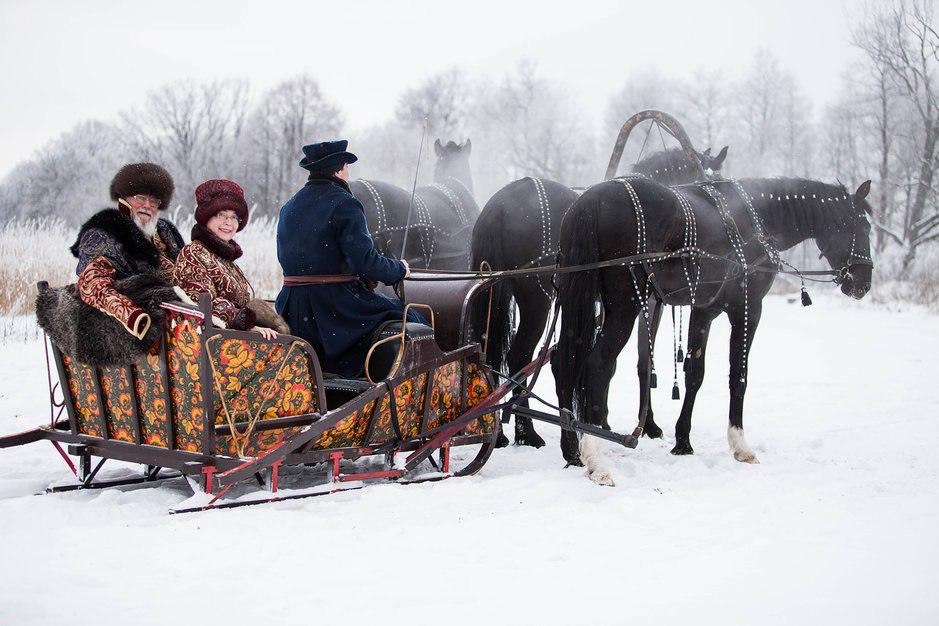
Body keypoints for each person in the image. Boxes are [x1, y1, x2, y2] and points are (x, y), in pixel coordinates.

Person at [275, 140, 421, 377]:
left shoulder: (289, 207)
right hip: (336, 307)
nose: (348, 172)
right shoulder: (345, 203)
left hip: (291, 306)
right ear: (339, 169)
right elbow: (366, 262)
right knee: (412, 317)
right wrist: (399, 269)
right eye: (347, 167)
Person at [70, 162, 184, 340]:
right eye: (140, 198)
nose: (147, 205)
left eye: (154, 201)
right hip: (140, 325)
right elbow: (93, 283)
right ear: (124, 199)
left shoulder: (165, 232)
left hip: (180, 314)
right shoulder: (104, 232)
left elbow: (183, 270)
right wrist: (130, 315)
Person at [173, 179, 288, 339]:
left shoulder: (224, 259)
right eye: (221, 215)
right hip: (212, 343)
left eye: (234, 217)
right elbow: (202, 302)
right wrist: (248, 325)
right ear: (207, 218)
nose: (228, 222)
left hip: (232, 338)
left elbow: (244, 302)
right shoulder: (193, 253)